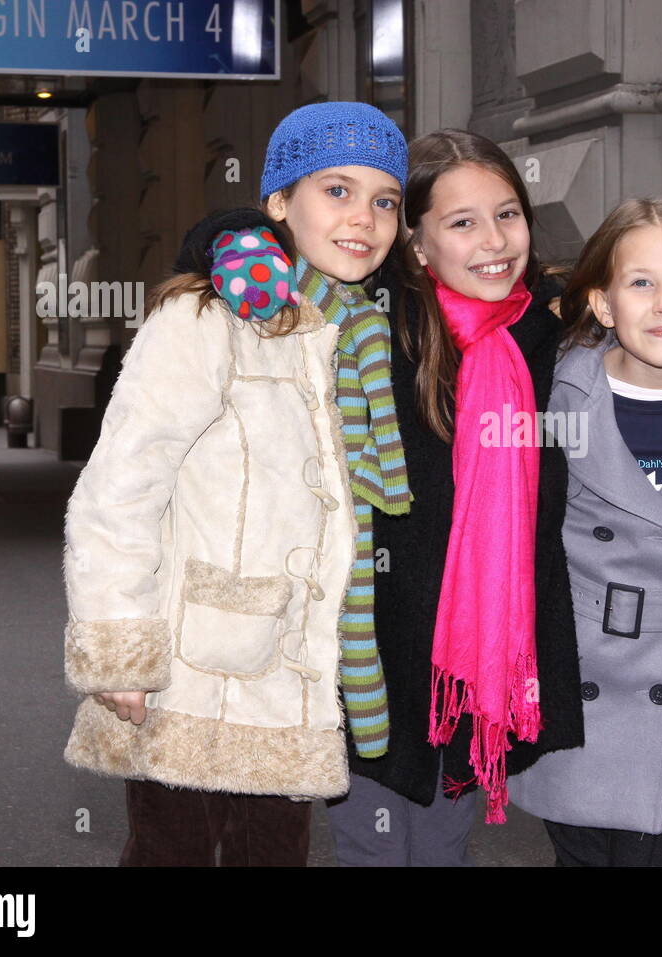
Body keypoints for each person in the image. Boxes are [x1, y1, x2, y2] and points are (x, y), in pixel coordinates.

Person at [198, 128, 585, 866]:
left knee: (442, 847)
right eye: (462, 222)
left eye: (509, 213)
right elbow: (267, 242)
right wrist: (229, 238)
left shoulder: (547, 334)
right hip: (373, 647)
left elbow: (657, 279)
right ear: (415, 244)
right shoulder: (376, 324)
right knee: (371, 846)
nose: (494, 239)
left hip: (476, 654)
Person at [61, 101, 409, 866]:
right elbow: (120, 488)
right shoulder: (207, 317)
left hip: (292, 676)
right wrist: (122, 653)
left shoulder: (354, 333)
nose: (365, 217)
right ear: (279, 202)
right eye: (338, 190)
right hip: (192, 670)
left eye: (386, 199)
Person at [505, 199, 662, 867]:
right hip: (579, 663)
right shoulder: (549, 393)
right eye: (641, 282)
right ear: (602, 302)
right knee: (582, 855)